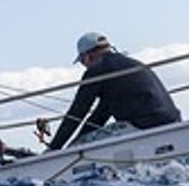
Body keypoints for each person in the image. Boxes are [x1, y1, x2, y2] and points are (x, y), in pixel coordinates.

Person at [46, 32, 181, 150]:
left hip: (146, 125)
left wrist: (55, 148)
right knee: (83, 139)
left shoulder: (96, 70)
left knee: (81, 144)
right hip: (172, 121)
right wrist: (71, 142)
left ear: (87, 56)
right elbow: (100, 115)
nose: (84, 65)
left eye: (82, 61)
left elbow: (77, 111)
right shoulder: (129, 63)